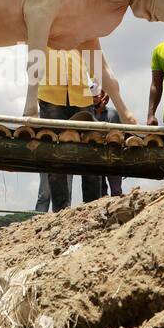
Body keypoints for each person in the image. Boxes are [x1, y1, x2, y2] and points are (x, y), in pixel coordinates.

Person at [37, 48, 103, 211]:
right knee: (55, 156)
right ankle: (61, 211)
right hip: (50, 94)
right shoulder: (46, 27)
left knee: (90, 153)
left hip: (82, 94)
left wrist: (98, 86)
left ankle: (92, 207)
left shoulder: (81, 27)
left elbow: (92, 52)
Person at [92, 90, 124, 197]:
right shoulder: (88, 114)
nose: (96, 98)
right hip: (95, 158)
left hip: (113, 158)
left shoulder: (113, 113)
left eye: (98, 95)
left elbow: (120, 135)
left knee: (116, 191)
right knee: (100, 192)